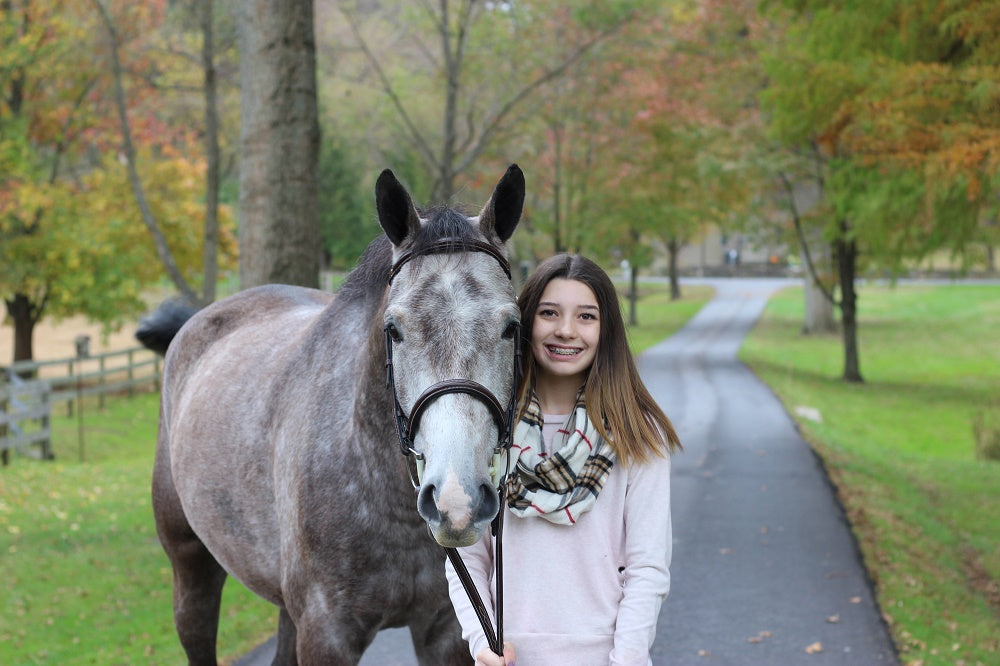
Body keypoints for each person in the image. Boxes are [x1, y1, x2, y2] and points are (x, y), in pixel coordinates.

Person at [446, 254, 681, 666]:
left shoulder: (637, 434)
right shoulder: (488, 432)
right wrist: (482, 640)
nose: (566, 330)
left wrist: (625, 659)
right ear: (525, 324)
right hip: (508, 658)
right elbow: (467, 556)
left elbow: (647, 569)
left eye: (586, 316)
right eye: (549, 313)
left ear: (606, 330)